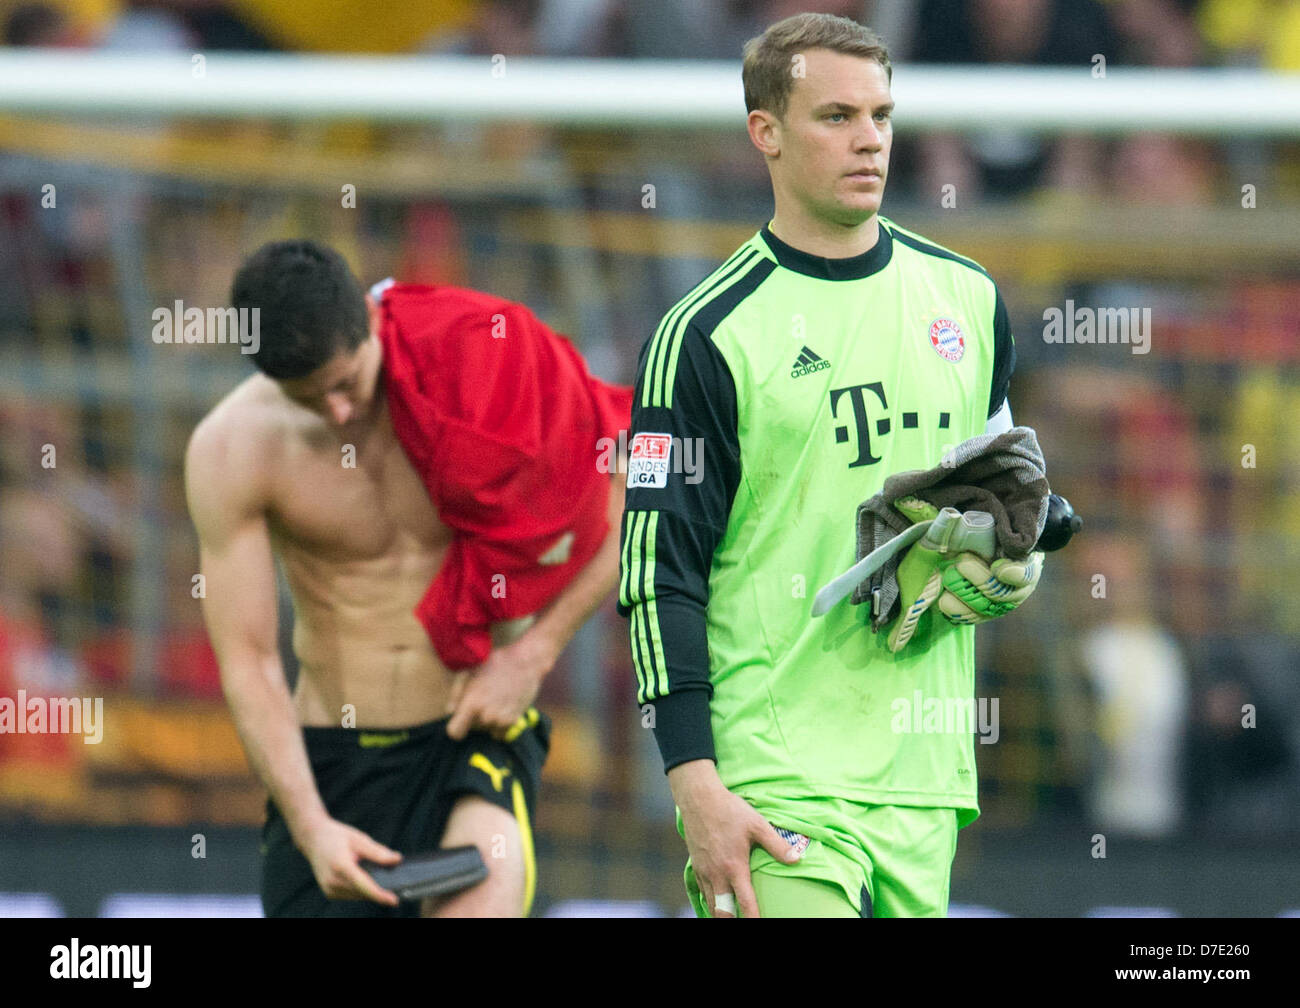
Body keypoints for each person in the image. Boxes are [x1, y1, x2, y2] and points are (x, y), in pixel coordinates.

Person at [618, 12, 1036, 918]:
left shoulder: (968, 300)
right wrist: (694, 784)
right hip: (775, 778)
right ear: (765, 132)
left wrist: (1015, 556)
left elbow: (1009, 492)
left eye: (882, 116)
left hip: (922, 780)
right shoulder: (705, 334)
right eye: (837, 117)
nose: (870, 140)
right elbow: (658, 577)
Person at [186, 240, 629, 917]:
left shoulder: (477, 368)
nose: (336, 411)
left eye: (346, 384)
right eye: (310, 398)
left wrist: (533, 655)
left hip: (467, 740)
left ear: (370, 318)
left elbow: (634, 486)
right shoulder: (233, 448)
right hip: (330, 764)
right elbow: (248, 660)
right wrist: (310, 826)